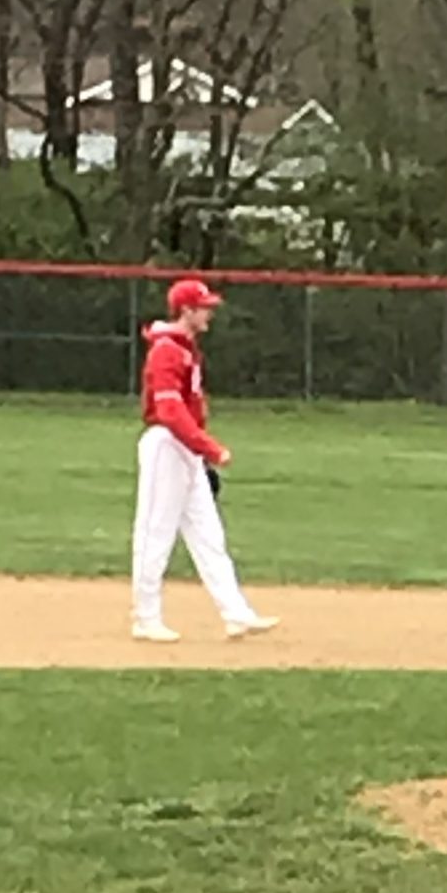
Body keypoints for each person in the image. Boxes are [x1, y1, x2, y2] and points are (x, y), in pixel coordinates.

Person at [130, 276, 279, 645]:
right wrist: (208, 447)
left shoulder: (185, 348)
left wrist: (198, 451)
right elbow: (169, 409)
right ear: (186, 310)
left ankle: (236, 614)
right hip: (167, 444)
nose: (209, 313)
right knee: (155, 532)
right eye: (204, 308)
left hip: (185, 448)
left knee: (209, 535)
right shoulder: (166, 349)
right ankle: (146, 618)